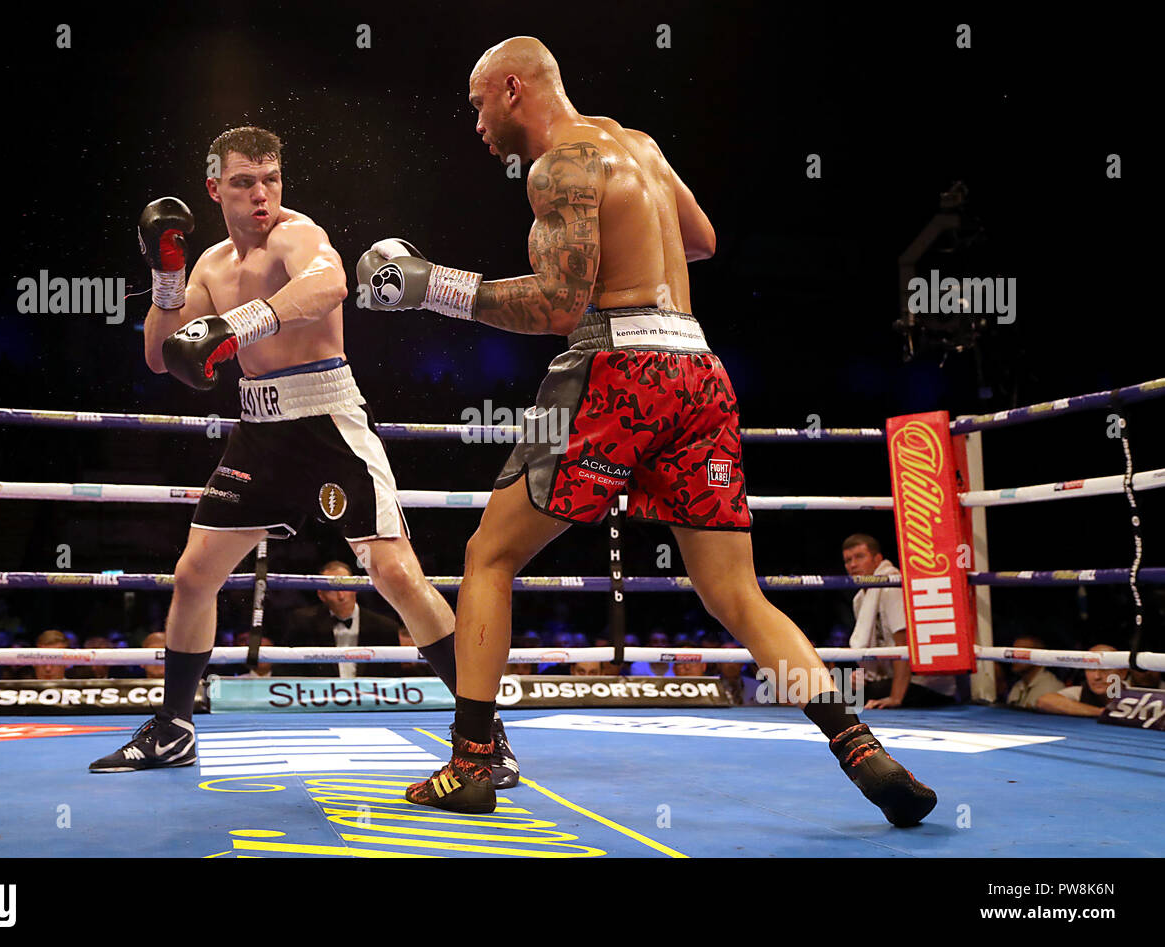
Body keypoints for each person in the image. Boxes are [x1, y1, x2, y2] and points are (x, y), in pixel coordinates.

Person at [358, 37, 935, 826]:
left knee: (488, 554)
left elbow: (560, 307)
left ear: (514, 88)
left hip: (618, 367)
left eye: (478, 103)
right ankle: (860, 747)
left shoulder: (558, 165)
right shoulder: (641, 145)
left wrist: (437, 288)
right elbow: (701, 240)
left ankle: (471, 764)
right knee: (736, 591)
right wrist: (636, 233)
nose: (478, 123)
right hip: (700, 370)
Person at [90, 127, 517, 785]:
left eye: (271, 180)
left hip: (327, 423)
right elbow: (161, 355)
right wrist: (166, 280)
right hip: (258, 431)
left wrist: (236, 325)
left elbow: (330, 285)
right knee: (194, 574)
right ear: (214, 189)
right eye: (243, 183)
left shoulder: (297, 235)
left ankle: (483, 735)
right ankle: (174, 726)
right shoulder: (207, 266)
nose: (261, 196)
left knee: (396, 574)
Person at [843, 534, 956, 708]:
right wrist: (863, 676)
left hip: (923, 682)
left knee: (861, 694)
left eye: (859, 557)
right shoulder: (859, 599)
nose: (853, 565)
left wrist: (895, 698)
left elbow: (902, 644)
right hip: (890, 677)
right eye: (848, 560)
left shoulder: (892, 586)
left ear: (877, 559)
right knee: (847, 687)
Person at [275, 560, 401, 677]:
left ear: (355, 588)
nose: (341, 596)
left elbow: (393, 675)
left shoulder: (384, 627)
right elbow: (289, 667)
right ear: (321, 595)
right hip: (321, 695)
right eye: (333, 590)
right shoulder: (303, 622)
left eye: (345, 587)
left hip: (368, 697)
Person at [1035, 644, 1122, 717]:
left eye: (1105, 669)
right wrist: (1100, 712)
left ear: (1123, 672)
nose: (1097, 676)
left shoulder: (1134, 692)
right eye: (1090, 669)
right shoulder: (1080, 692)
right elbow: (1044, 701)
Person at [1003, 635, 1066, 710]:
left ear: (1037, 656)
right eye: (1013, 651)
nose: (1014, 657)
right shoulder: (1018, 686)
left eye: (1021, 652)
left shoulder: (1051, 688)